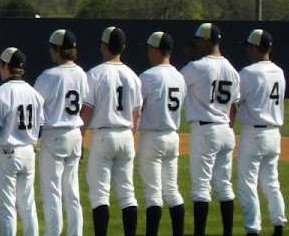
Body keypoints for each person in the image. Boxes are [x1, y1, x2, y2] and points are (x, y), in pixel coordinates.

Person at [180, 22, 240, 236]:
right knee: (224, 186)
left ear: (206, 41)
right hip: (226, 128)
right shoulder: (232, 69)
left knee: (201, 187)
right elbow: (234, 107)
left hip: (205, 130)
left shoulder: (196, 67)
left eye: (198, 41)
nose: (195, 45)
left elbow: (177, 87)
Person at [80, 27, 142, 236]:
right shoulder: (132, 76)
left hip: (103, 135)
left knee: (100, 195)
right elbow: (137, 113)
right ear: (123, 47)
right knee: (127, 193)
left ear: (104, 46)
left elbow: (86, 111)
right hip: (126, 133)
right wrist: (130, 138)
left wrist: (79, 139)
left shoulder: (95, 74)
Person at [0, 46, 45, 236]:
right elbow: (41, 128)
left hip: (8, 154)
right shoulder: (34, 93)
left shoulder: (0, 93)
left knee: (6, 207)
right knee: (27, 205)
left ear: (5, 66)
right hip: (28, 151)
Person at [34, 29, 88, 236]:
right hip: (75, 132)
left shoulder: (49, 76)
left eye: (52, 47)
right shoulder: (82, 73)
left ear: (57, 49)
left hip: (54, 134)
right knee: (72, 192)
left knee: (52, 191)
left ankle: (53, 233)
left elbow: (36, 108)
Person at [235, 29, 287, 236]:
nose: (247, 50)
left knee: (248, 183)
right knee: (271, 182)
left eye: (249, 46)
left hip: (254, 133)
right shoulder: (279, 71)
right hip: (274, 133)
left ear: (256, 48)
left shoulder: (249, 73)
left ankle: (253, 229)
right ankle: (278, 225)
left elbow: (235, 100)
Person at [137, 32, 186, 236]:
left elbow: (137, 109)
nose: (148, 53)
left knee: (153, 195)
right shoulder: (180, 76)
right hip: (172, 135)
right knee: (172, 192)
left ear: (156, 50)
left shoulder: (148, 76)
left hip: (152, 136)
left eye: (150, 49)